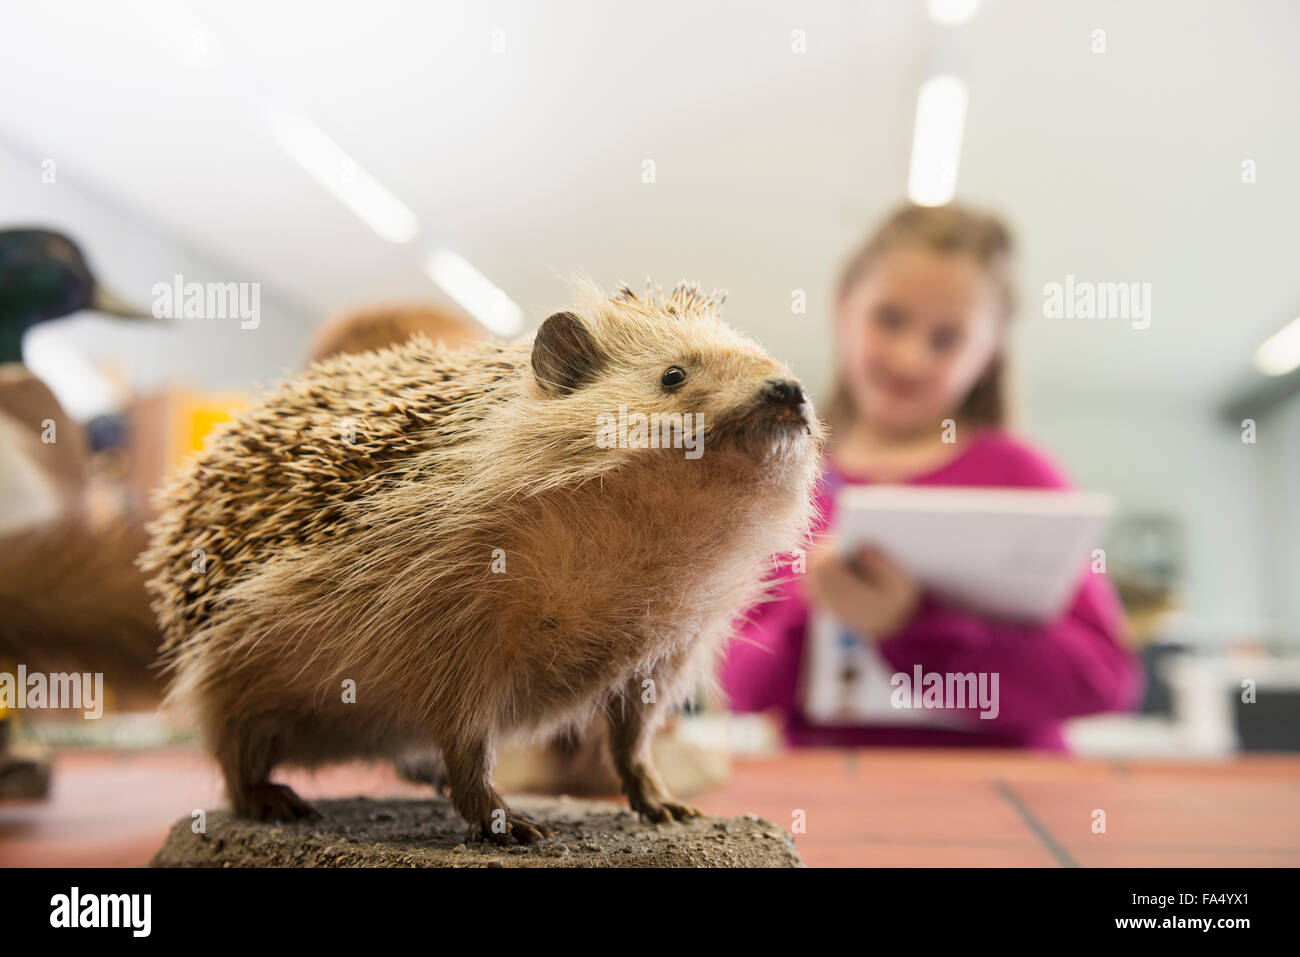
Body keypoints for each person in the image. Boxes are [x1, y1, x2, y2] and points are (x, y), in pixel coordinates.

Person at [720, 202, 1144, 750]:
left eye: (946, 339)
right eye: (890, 319)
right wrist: (815, 609)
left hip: (1008, 806)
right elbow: (740, 686)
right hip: (834, 806)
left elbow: (1103, 680)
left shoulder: (1020, 473)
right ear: (843, 309)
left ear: (988, 354)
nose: (909, 357)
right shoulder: (779, 482)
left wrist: (911, 623)